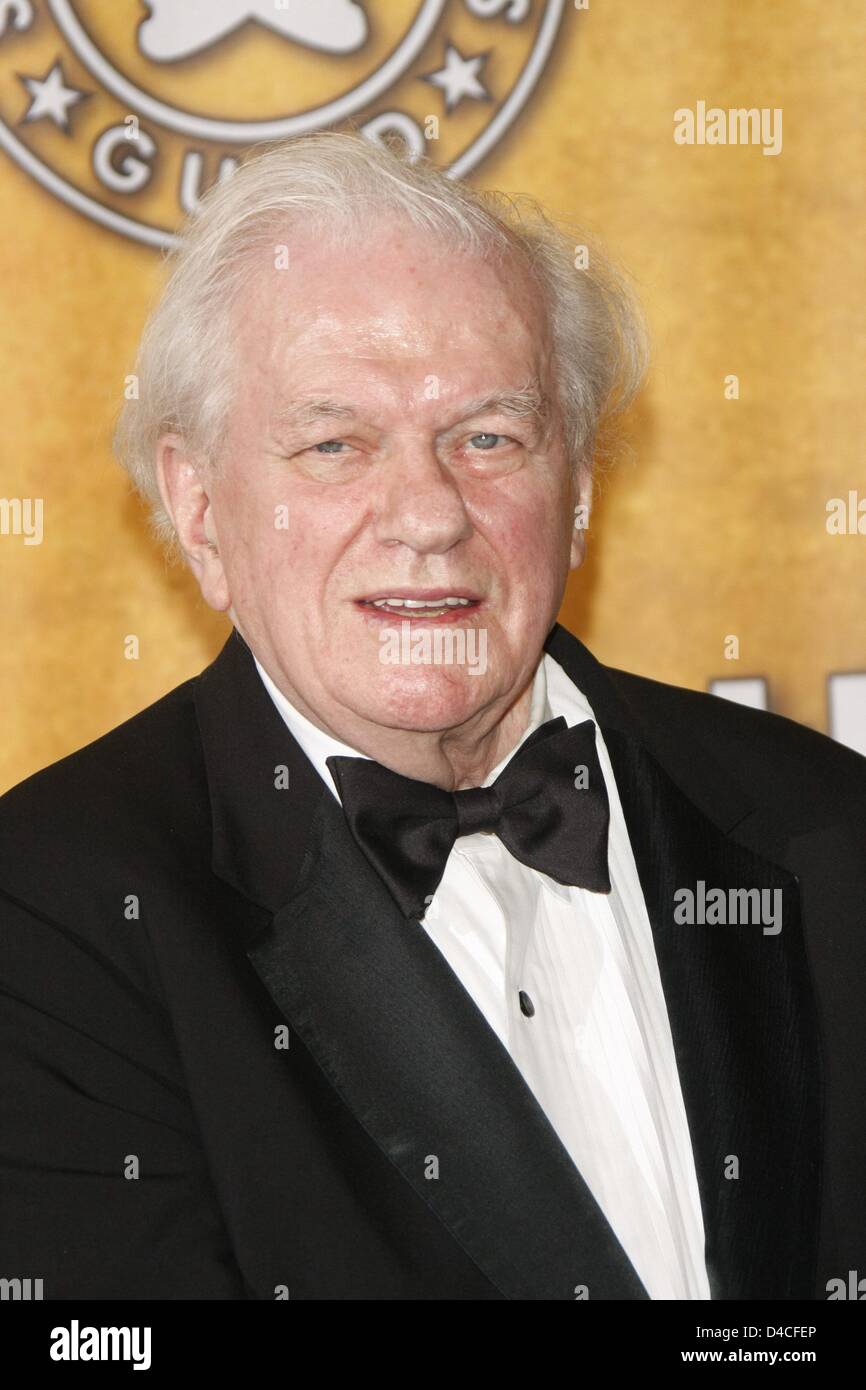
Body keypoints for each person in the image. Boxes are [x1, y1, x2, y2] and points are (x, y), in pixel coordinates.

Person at [1, 132, 863, 1301]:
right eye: (333, 444)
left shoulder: (825, 830)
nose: (425, 513)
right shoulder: (53, 915)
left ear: (578, 492)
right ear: (200, 513)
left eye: (488, 437)